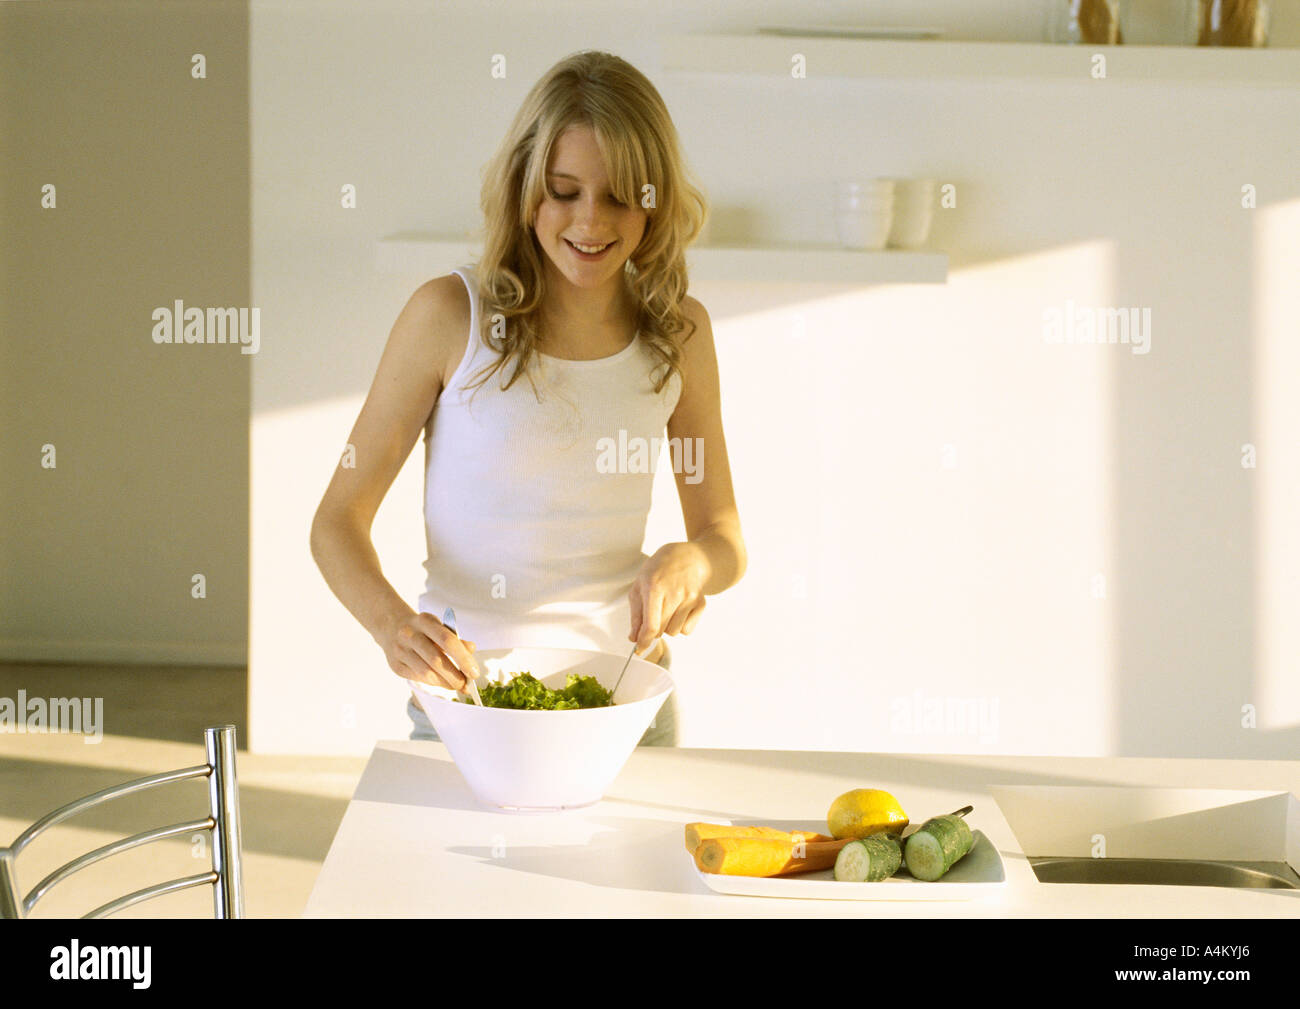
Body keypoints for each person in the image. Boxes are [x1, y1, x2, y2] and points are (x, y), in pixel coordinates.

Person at [310, 50, 745, 747]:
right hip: (468, 707)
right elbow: (336, 521)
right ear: (524, 189)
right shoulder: (451, 315)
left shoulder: (679, 334)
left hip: (628, 708)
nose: (590, 221)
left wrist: (694, 562)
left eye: (620, 194)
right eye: (564, 191)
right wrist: (392, 624)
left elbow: (723, 537)